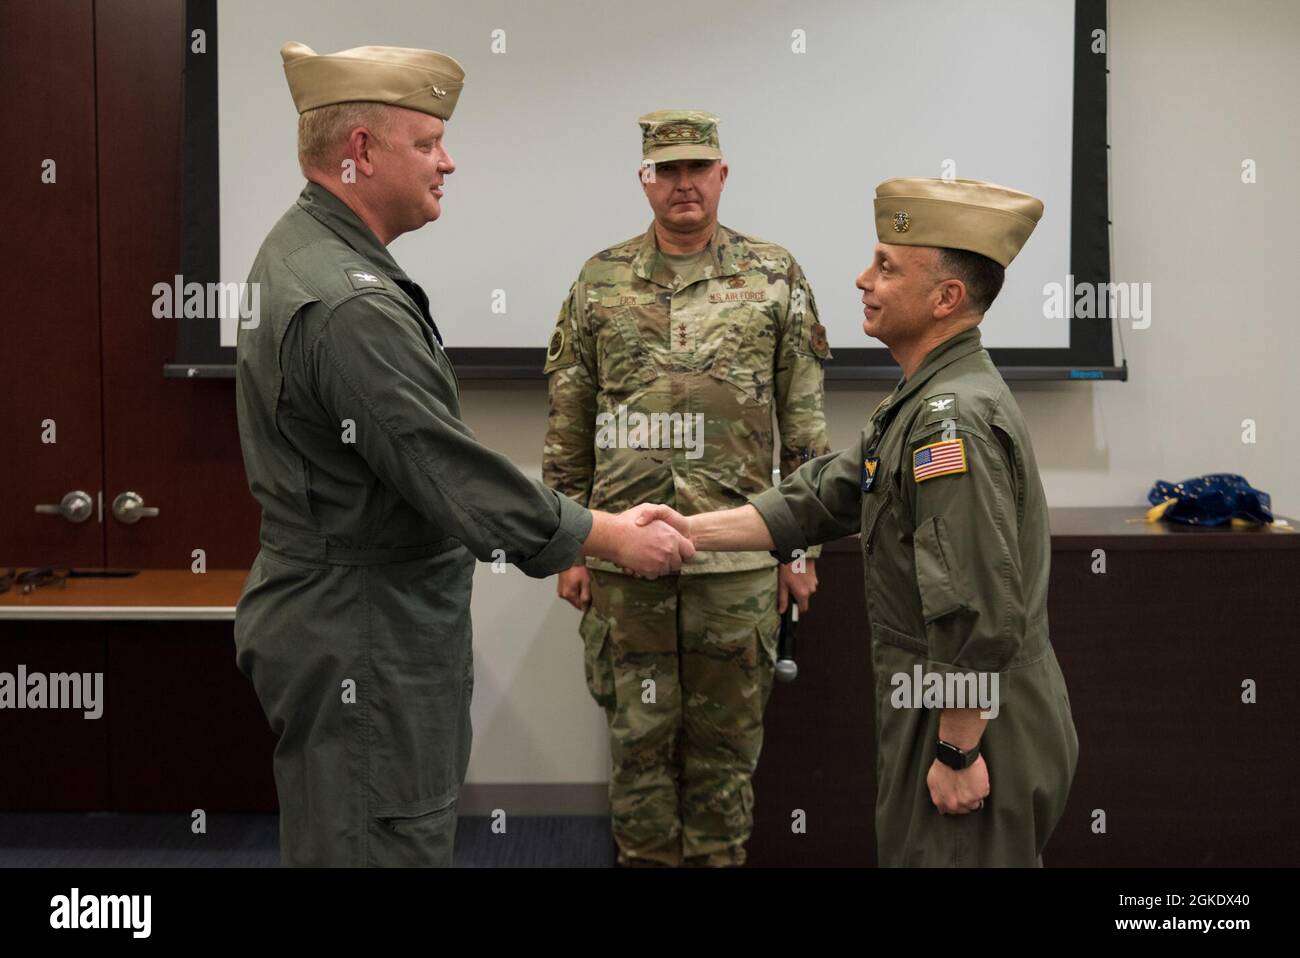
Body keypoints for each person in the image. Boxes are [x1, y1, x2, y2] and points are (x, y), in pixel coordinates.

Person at [233, 41, 692, 867]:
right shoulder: (348, 303)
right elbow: (444, 470)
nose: (450, 162)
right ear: (361, 151)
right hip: (365, 626)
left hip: (353, 612)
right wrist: (609, 535)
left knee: (355, 826)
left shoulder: (309, 253)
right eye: (426, 143)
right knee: (381, 838)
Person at [637, 178, 1079, 866]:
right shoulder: (924, 399)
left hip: (968, 714)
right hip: (947, 704)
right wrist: (685, 533)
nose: (862, 279)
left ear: (946, 299)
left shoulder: (949, 420)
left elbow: (975, 608)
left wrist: (959, 748)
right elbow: (820, 497)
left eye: (887, 267)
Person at [542, 110, 833, 866]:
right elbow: (569, 421)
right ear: (646, 178)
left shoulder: (774, 275)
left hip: (735, 570)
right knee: (638, 752)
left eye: (696, 167)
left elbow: (804, 427)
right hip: (621, 561)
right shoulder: (599, 279)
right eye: (666, 170)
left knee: (726, 758)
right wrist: (569, 546)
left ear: (722, 174)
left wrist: (800, 549)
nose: (683, 184)